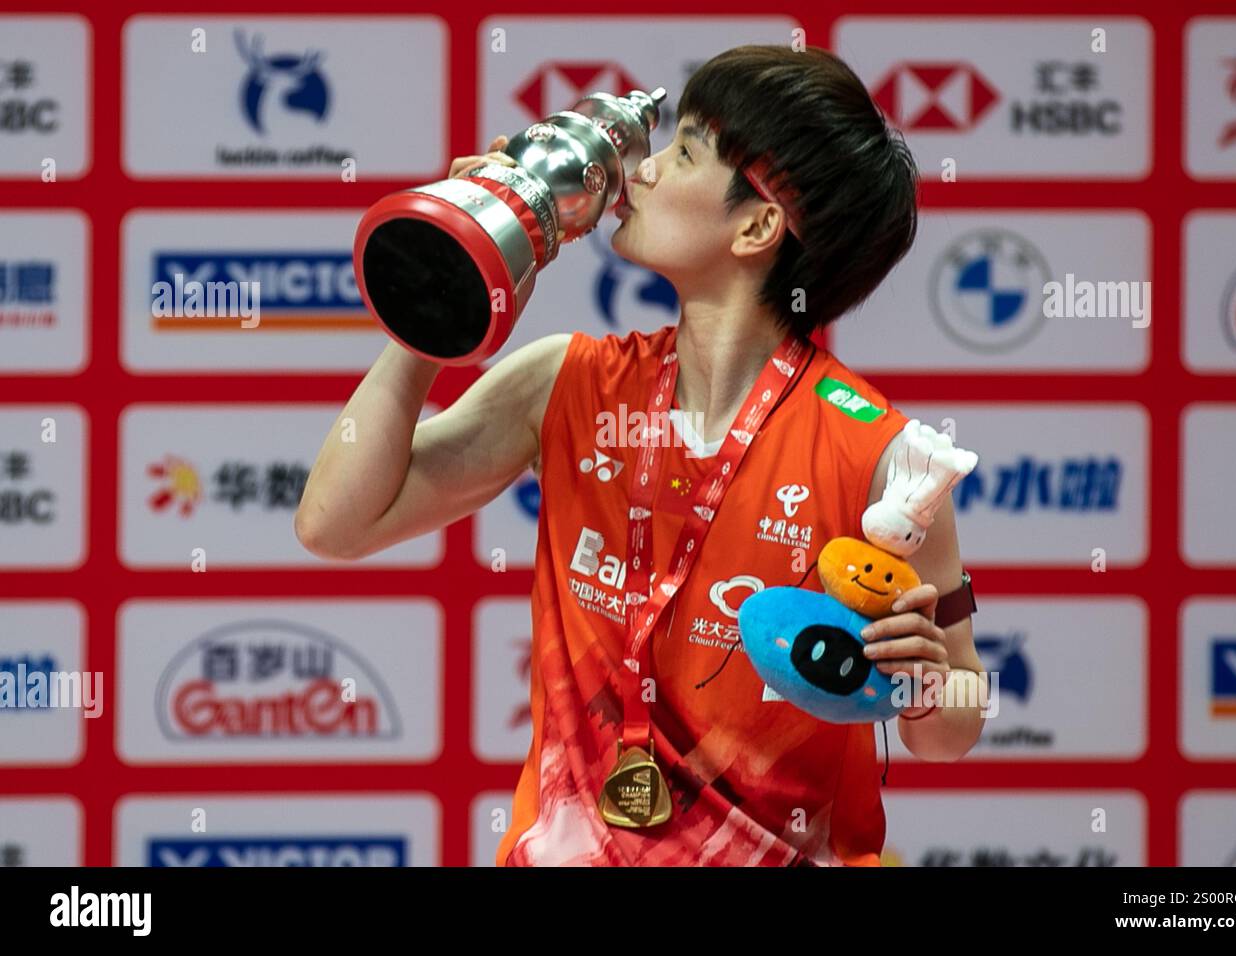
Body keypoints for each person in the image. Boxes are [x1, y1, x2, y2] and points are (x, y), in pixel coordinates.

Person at [295, 44, 985, 867]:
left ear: (759, 225)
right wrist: (450, 274)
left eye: (684, 151)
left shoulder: (882, 452)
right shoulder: (564, 383)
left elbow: (952, 728)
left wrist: (923, 680)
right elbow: (335, 524)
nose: (642, 173)